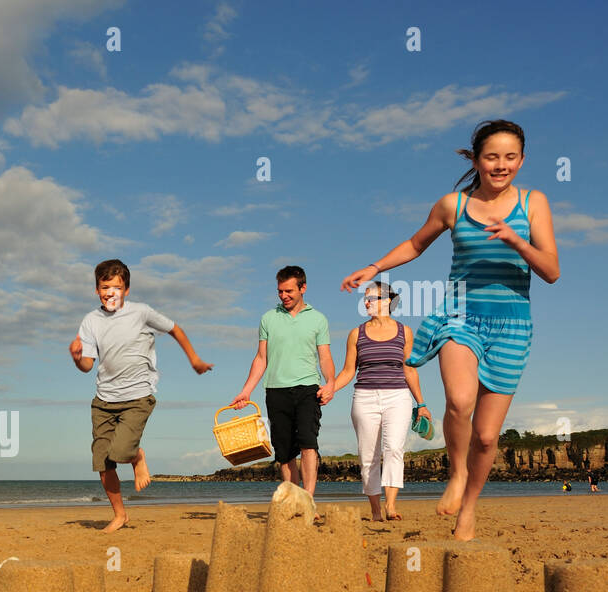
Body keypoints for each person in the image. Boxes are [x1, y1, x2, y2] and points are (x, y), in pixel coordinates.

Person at [341, 119, 558, 540]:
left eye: (510, 157)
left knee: (487, 435)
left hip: (512, 325)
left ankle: (470, 507)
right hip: (460, 315)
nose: (501, 165)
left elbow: (551, 270)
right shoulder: (453, 205)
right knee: (459, 401)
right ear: (476, 159)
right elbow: (416, 243)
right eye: (492, 156)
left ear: (522, 160)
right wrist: (374, 267)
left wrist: (516, 241)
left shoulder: (534, 203)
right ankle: (456, 474)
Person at [70, 258, 213, 532]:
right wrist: (77, 357)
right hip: (103, 400)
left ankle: (137, 456)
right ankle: (120, 515)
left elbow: (175, 329)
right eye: (104, 287)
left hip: (137, 397)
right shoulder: (90, 321)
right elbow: (88, 366)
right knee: (103, 462)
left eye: (116, 287)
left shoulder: (141, 313)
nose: (110, 292)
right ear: (97, 289)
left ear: (127, 290)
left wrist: (194, 359)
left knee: (122, 452)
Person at [230, 266, 336, 497]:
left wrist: (331, 384)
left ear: (303, 288)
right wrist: (246, 391)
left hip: (308, 388)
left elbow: (325, 357)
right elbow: (261, 358)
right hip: (275, 390)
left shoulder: (318, 319)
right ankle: (293, 498)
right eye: (280, 291)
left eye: (289, 291)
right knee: (285, 452)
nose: (283, 296)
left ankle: (307, 499)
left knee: (309, 444)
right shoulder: (268, 318)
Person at [330, 282, 432, 521]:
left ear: (387, 300)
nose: (366, 302)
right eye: (365, 299)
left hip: (398, 396)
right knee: (368, 456)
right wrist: (329, 389)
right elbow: (347, 371)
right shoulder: (356, 333)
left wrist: (421, 403)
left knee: (394, 449)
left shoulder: (404, 331)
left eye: (372, 298)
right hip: (364, 398)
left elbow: (410, 370)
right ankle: (375, 510)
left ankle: (391, 506)